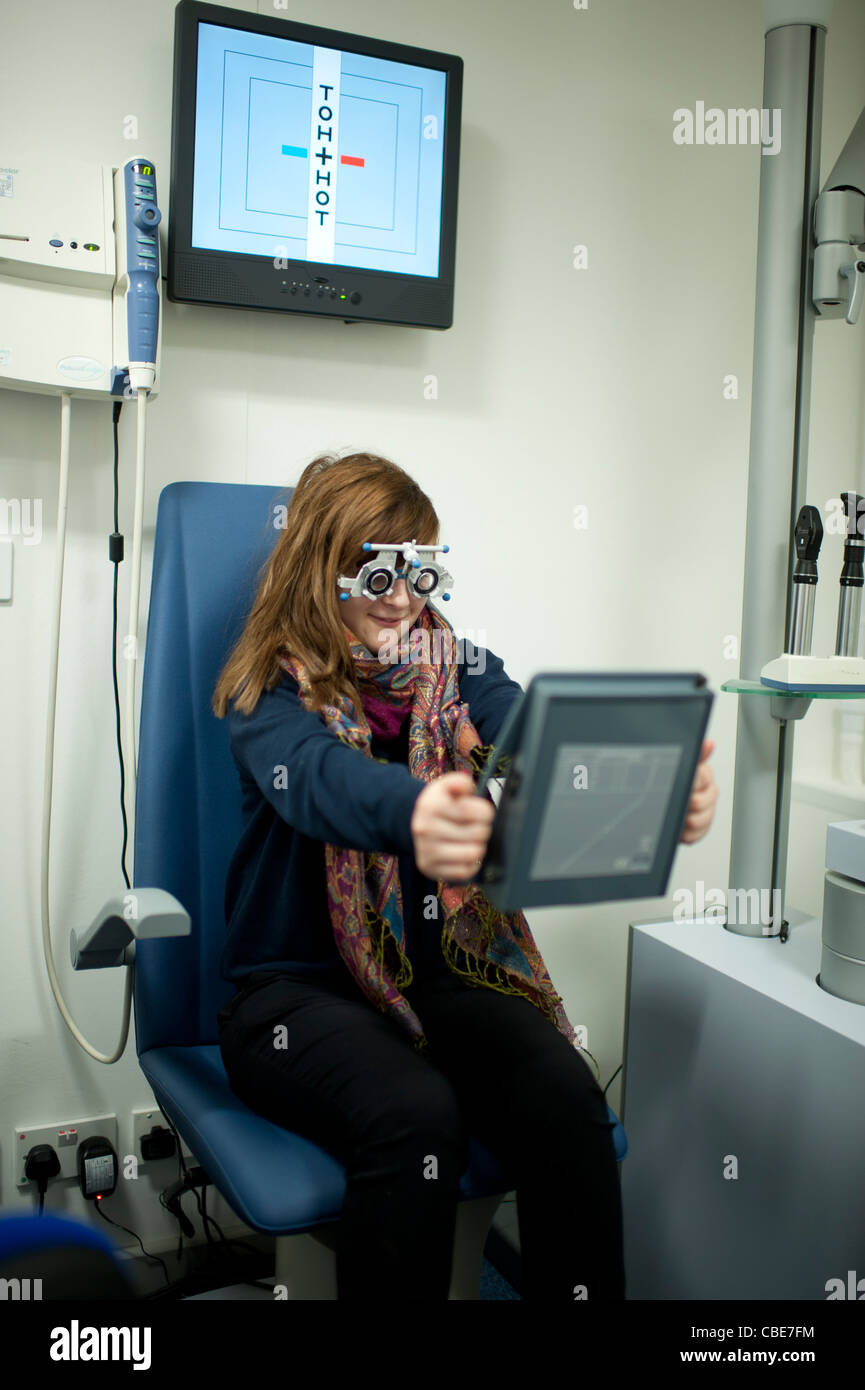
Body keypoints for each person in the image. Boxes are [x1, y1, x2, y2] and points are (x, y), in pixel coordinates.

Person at [211, 450, 718, 1302]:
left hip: (429, 979)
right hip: (292, 1000)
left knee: (564, 1095)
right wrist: (411, 811)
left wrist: (648, 797)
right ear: (320, 572)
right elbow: (322, 783)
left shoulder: (458, 668)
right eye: (377, 572)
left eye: (419, 570)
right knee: (414, 1119)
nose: (403, 597)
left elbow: (530, 744)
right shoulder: (270, 690)